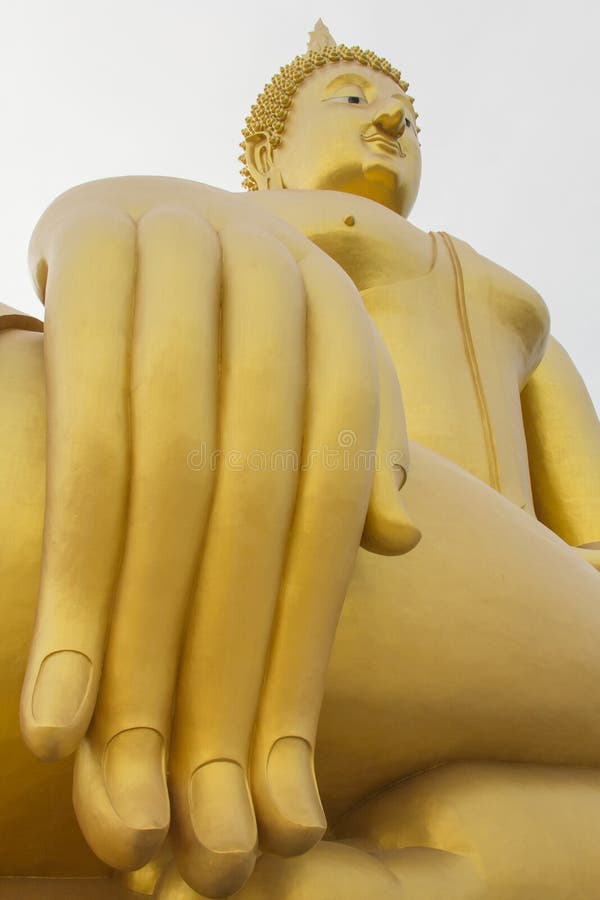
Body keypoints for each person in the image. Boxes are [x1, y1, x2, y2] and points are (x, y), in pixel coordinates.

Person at [1, 20, 600, 900]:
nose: (390, 121)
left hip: (519, 595)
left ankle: (444, 872)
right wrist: (111, 213)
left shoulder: (519, 315)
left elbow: (587, 534)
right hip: (319, 507)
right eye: (352, 98)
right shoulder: (248, 230)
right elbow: (134, 257)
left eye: (407, 114)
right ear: (268, 155)